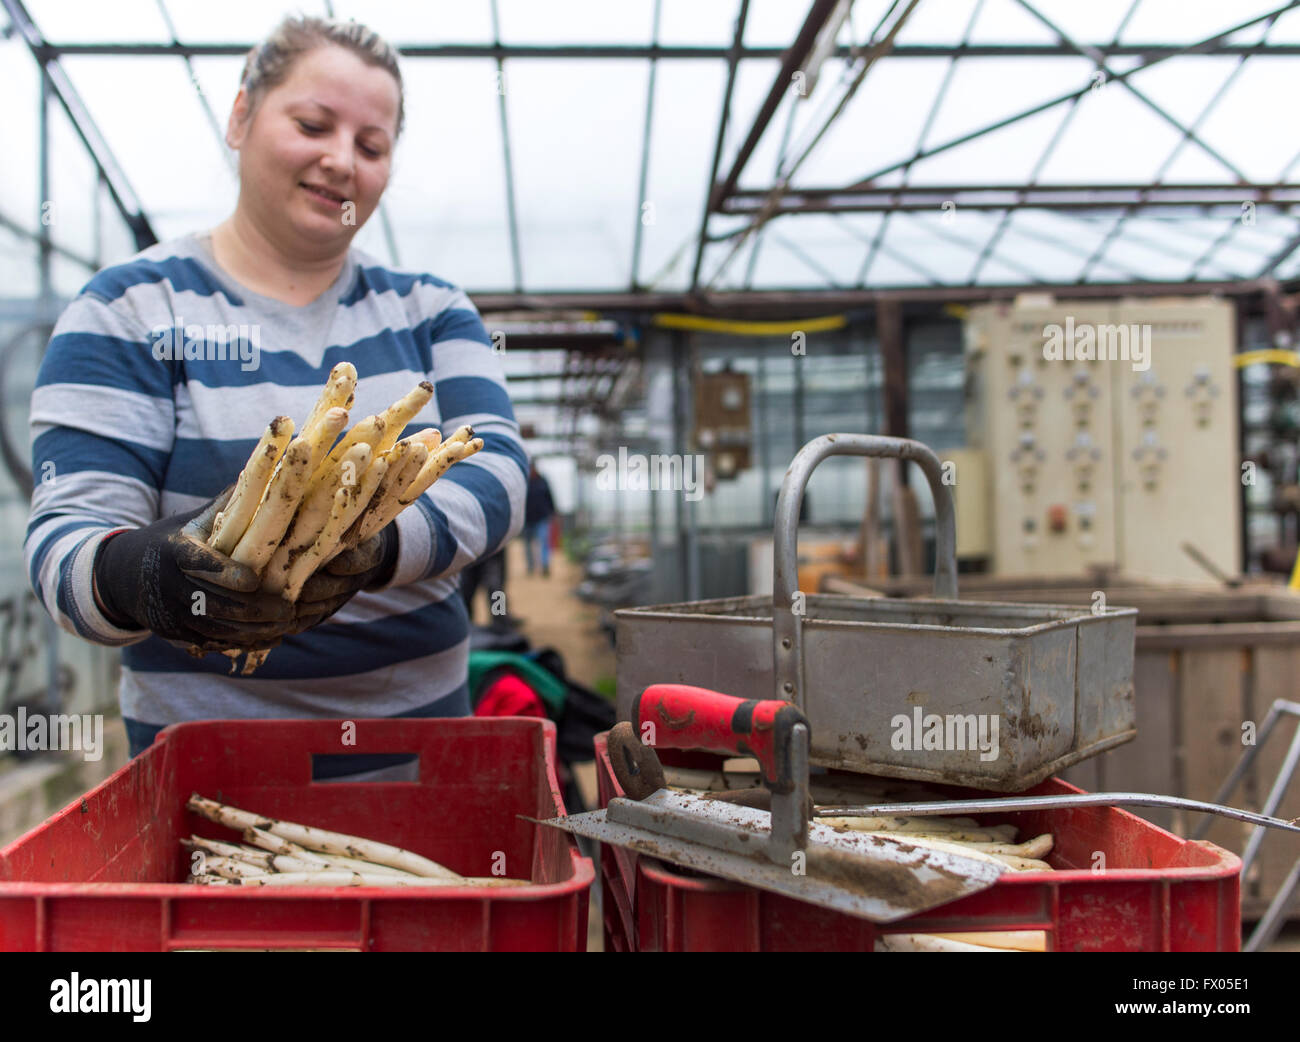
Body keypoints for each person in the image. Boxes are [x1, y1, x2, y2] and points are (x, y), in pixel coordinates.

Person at [23, 16, 526, 779]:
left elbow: (498, 477)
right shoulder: (129, 311)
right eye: (312, 124)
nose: (339, 161)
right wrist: (139, 579)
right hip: (201, 768)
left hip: (416, 756)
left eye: (371, 144)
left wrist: (366, 543)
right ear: (241, 117)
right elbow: (65, 539)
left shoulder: (432, 309)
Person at [524, 463, 555, 576]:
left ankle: (545, 565)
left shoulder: (542, 481)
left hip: (542, 517)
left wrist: (553, 512)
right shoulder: (524, 482)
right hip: (527, 519)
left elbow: (550, 497)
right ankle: (531, 566)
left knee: (544, 542)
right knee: (528, 544)